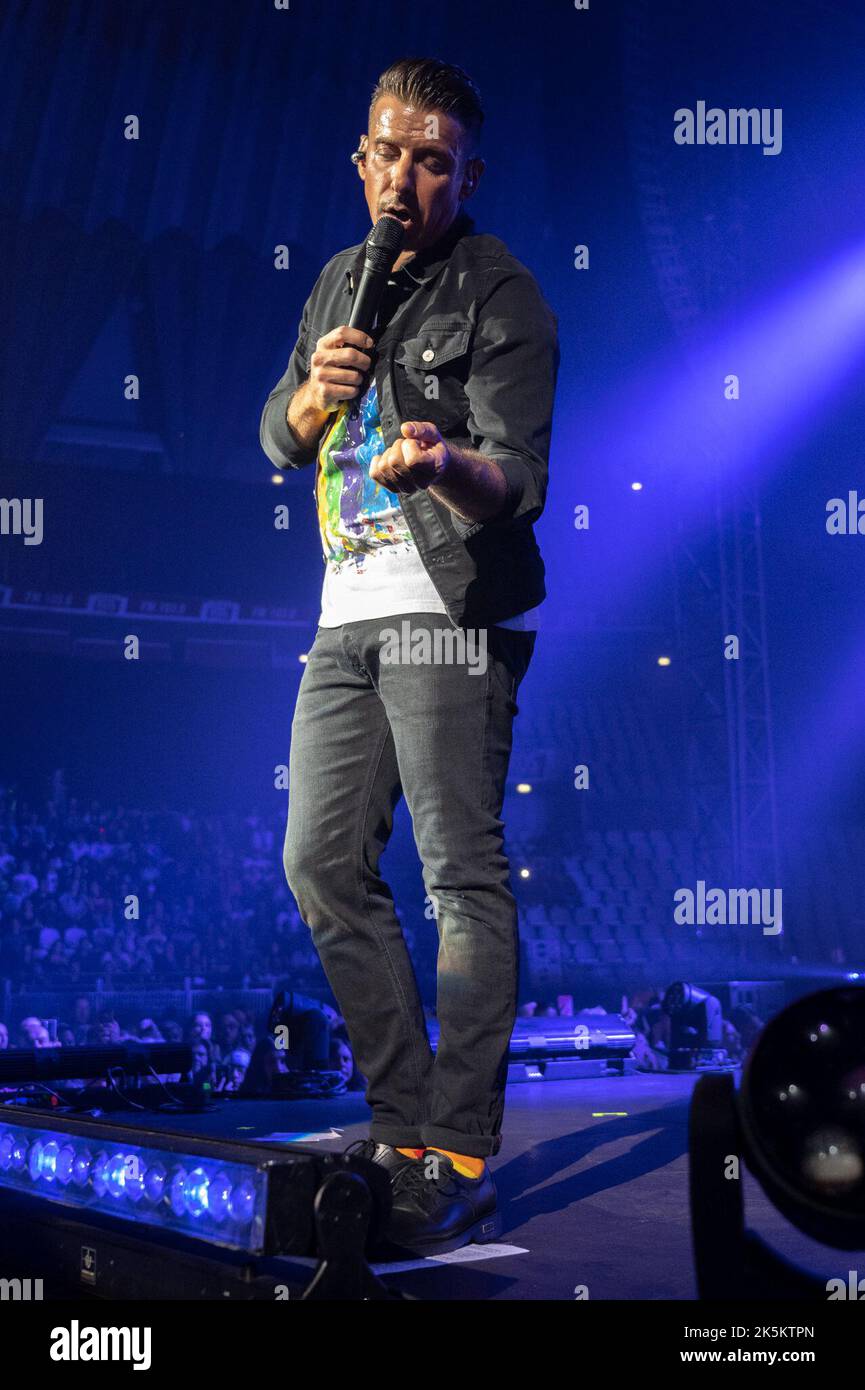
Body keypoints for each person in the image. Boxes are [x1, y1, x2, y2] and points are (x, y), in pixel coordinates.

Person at [260, 58, 558, 1252]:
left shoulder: (504, 294)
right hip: (342, 613)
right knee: (319, 862)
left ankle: (461, 1147)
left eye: (431, 159)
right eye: (388, 152)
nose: (404, 177)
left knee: (457, 878)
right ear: (361, 158)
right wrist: (306, 404)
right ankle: (398, 1124)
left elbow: (519, 482)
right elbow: (275, 430)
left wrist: (440, 461)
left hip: (447, 610)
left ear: (465, 173)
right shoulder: (339, 277)